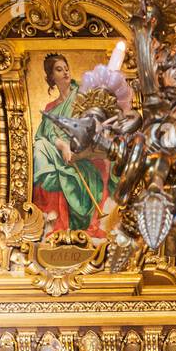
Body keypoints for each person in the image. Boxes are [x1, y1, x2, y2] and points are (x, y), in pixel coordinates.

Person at [32, 54, 109, 237]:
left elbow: (92, 124)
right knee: (40, 147)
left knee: (44, 149)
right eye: (59, 69)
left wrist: (73, 146)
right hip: (63, 156)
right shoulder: (51, 107)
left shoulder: (82, 95)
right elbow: (47, 134)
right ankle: (53, 219)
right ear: (51, 77)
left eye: (66, 68)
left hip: (85, 153)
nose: (66, 72)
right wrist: (63, 147)